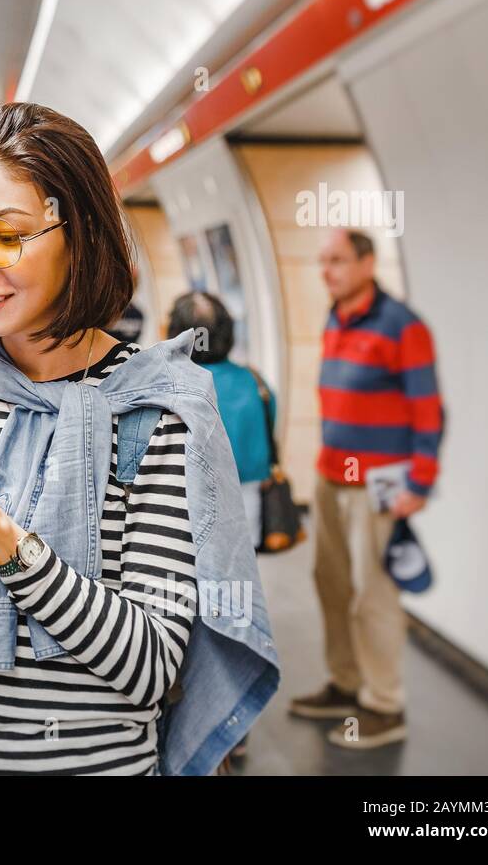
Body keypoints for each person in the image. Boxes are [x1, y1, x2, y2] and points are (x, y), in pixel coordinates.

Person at [0, 102, 279, 775]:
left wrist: (0, 536)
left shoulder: (154, 411)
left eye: (5, 237)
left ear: (81, 233)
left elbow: (150, 668)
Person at [288, 228, 443, 750]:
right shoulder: (337, 315)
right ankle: (346, 682)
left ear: (367, 263)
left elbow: (428, 409)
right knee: (331, 584)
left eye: (337, 260)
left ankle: (383, 704)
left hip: (376, 484)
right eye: (322, 261)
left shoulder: (402, 326)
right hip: (332, 476)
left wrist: (420, 481)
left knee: (373, 595)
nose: (326, 271)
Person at [166, 290, 277, 768]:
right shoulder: (255, 382)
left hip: (183, 514)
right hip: (242, 513)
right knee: (234, 610)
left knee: (185, 615)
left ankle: (185, 716)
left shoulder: (174, 382)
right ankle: (234, 726)